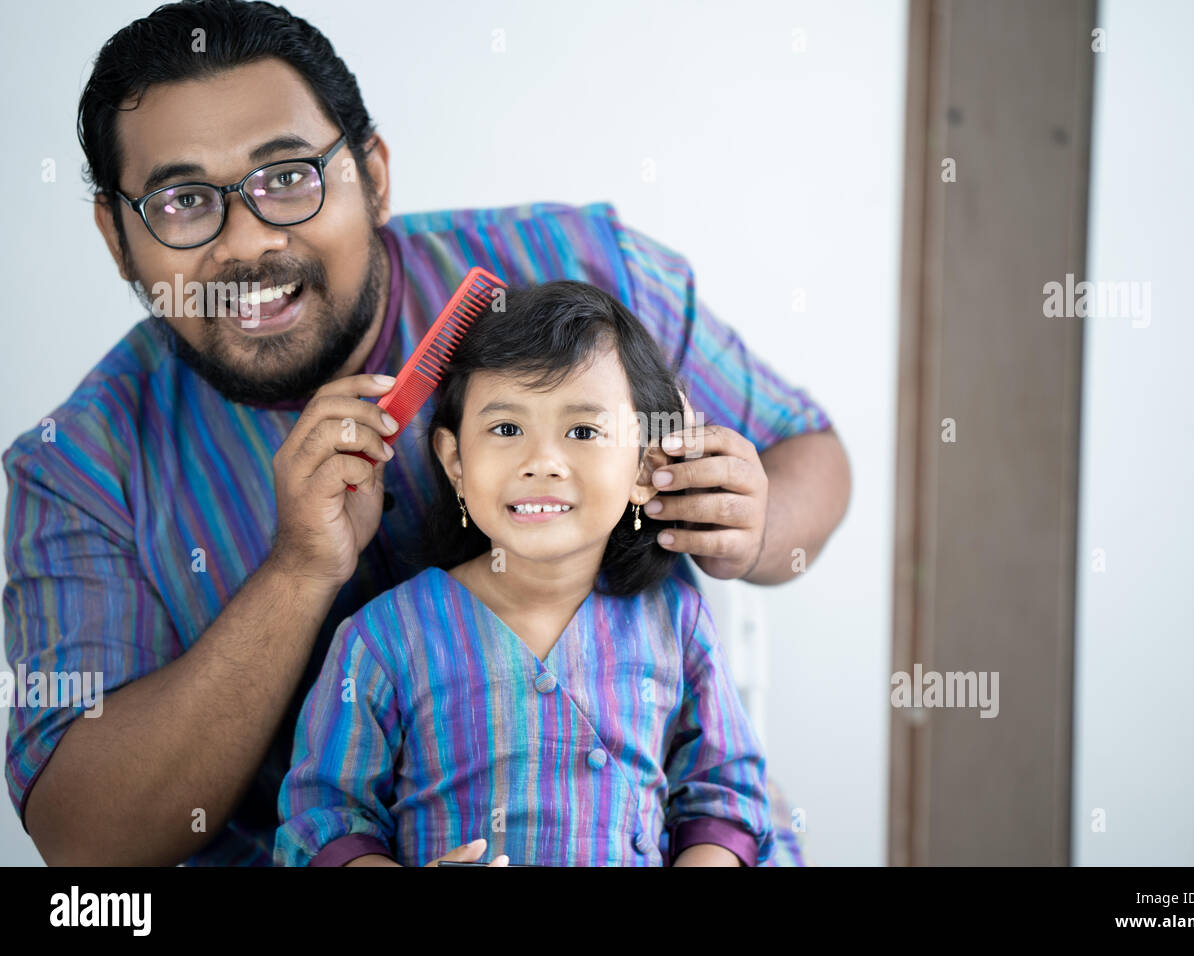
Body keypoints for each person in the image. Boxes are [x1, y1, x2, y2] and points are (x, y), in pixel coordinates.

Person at [3, 0, 850, 865]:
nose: (247, 241)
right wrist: (300, 572)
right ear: (116, 235)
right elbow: (86, 841)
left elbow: (806, 446)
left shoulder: (591, 270)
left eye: (289, 175)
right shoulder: (75, 467)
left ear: (373, 174)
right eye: (182, 201)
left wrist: (754, 531)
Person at [277, 280, 772, 867]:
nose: (541, 462)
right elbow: (324, 819)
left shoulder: (678, 624)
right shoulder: (383, 640)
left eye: (583, 431)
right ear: (455, 461)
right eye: (507, 429)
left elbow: (725, 797)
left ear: (645, 468)